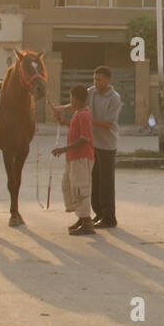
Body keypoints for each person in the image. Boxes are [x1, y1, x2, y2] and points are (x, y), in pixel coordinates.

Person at [53, 67, 122, 229]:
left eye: (99, 79)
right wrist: (61, 109)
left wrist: (84, 121)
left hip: (107, 144)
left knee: (106, 183)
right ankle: (97, 213)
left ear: (108, 80)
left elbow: (107, 124)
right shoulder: (91, 92)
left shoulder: (114, 98)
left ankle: (109, 217)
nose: (96, 82)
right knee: (93, 181)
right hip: (92, 145)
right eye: (94, 79)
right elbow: (76, 103)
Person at [51, 84, 96, 236]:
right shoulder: (79, 113)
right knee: (69, 185)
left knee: (80, 188)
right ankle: (81, 217)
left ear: (75, 99)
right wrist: (64, 123)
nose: (70, 101)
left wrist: (64, 149)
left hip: (81, 157)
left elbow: (85, 138)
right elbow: (77, 129)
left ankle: (87, 221)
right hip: (74, 157)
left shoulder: (83, 114)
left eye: (71, 97)